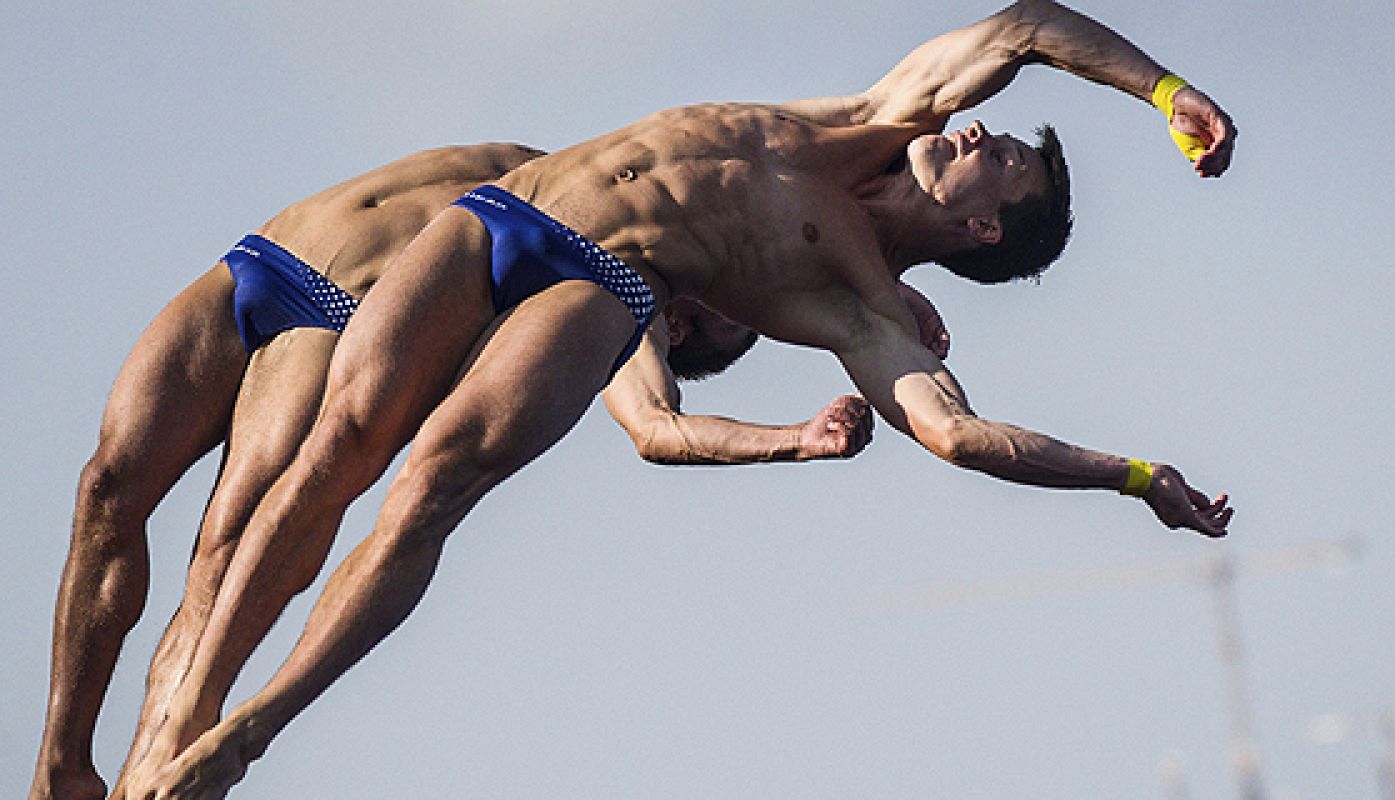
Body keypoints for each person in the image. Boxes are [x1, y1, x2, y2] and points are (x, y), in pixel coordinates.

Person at [121, 2, 1237, 795]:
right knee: (337, 443)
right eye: (999, 135)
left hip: (604, 283)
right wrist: (1170, 93)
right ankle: (181, 725)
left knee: (426, 487)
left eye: (1007, 168)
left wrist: (1129, 474)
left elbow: (956, 433)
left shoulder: (861, 310)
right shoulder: (871, 114)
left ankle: (248, 733)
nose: (984, 134)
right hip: (507, 210)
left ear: (986, 228)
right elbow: (1022, 27)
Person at [28, 141, 944, 800]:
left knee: (225, 545)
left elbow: (660, 429)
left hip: (339, 317)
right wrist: (881, 275)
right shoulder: (606, 178)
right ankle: (60, 763)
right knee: (106, 486)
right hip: (266, 254)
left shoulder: (616, 298)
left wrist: (793, 434)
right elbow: (777, 179)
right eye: (728, 310)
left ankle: (156, 768)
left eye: (704, 328)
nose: (709, 308)